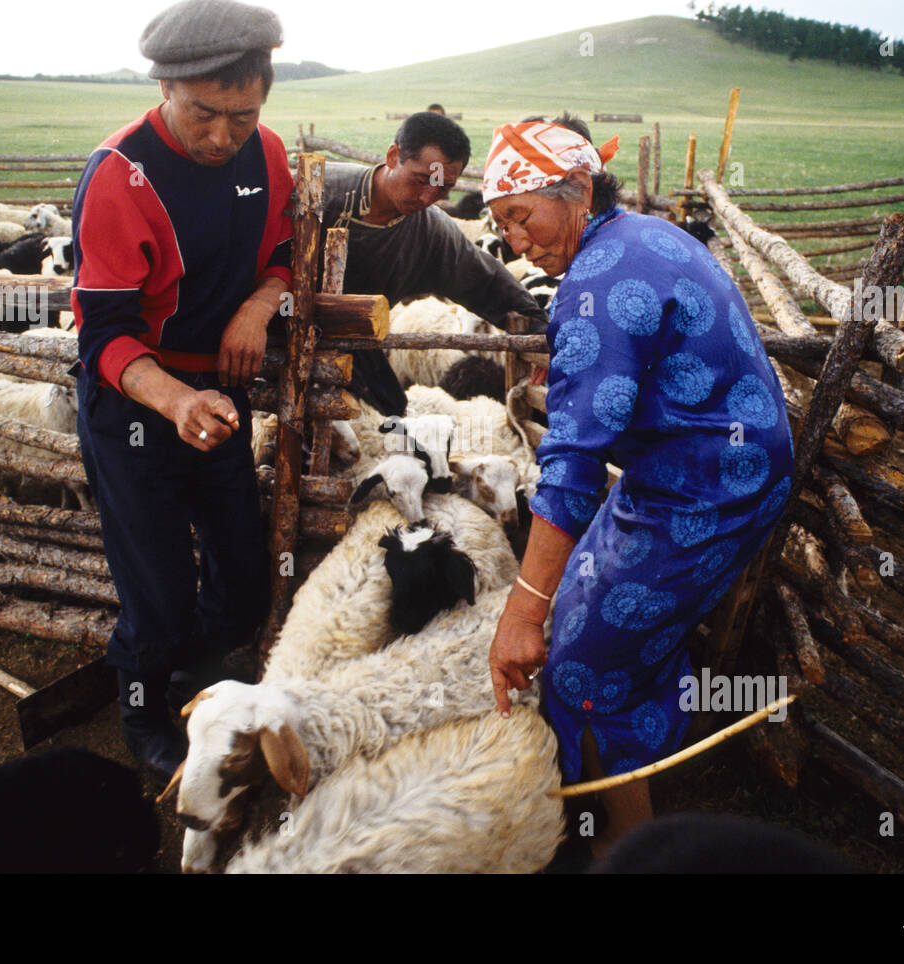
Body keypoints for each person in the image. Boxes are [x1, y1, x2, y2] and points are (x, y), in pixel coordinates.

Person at [482, 121, 794, 856]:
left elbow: (574, 462)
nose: (517, 242)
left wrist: (522, 611)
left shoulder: (599, 283)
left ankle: (622, 848)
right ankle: (641, 752)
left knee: (581, 667)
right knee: (600, 615)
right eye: (502, 227)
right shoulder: (641, 237)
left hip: (710, 488)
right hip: (692, 469)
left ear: (579, 190)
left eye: (522, 217)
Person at [69, 0, 292, 783]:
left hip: (217, 397)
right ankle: (141, 711)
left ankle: (186, 678)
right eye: (205, 113)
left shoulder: (267, 155)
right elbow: (103, 336)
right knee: (155, 593)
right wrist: (173, 401)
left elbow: (285, 255)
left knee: (242, 584)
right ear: (166, 84)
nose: (224, 136)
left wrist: (258, 309)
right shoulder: (119, 176)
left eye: (244, 115)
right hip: (136, 403)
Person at [321, 112, 549, 414]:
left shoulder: (429, 230)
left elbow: (488, 283)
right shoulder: (323, 190)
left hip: (359, 351)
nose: (429, 197)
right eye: (420, 180)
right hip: (274, 338)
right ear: (393, 156)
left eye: (443, 188)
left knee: (392, 417)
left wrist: (546, 331)